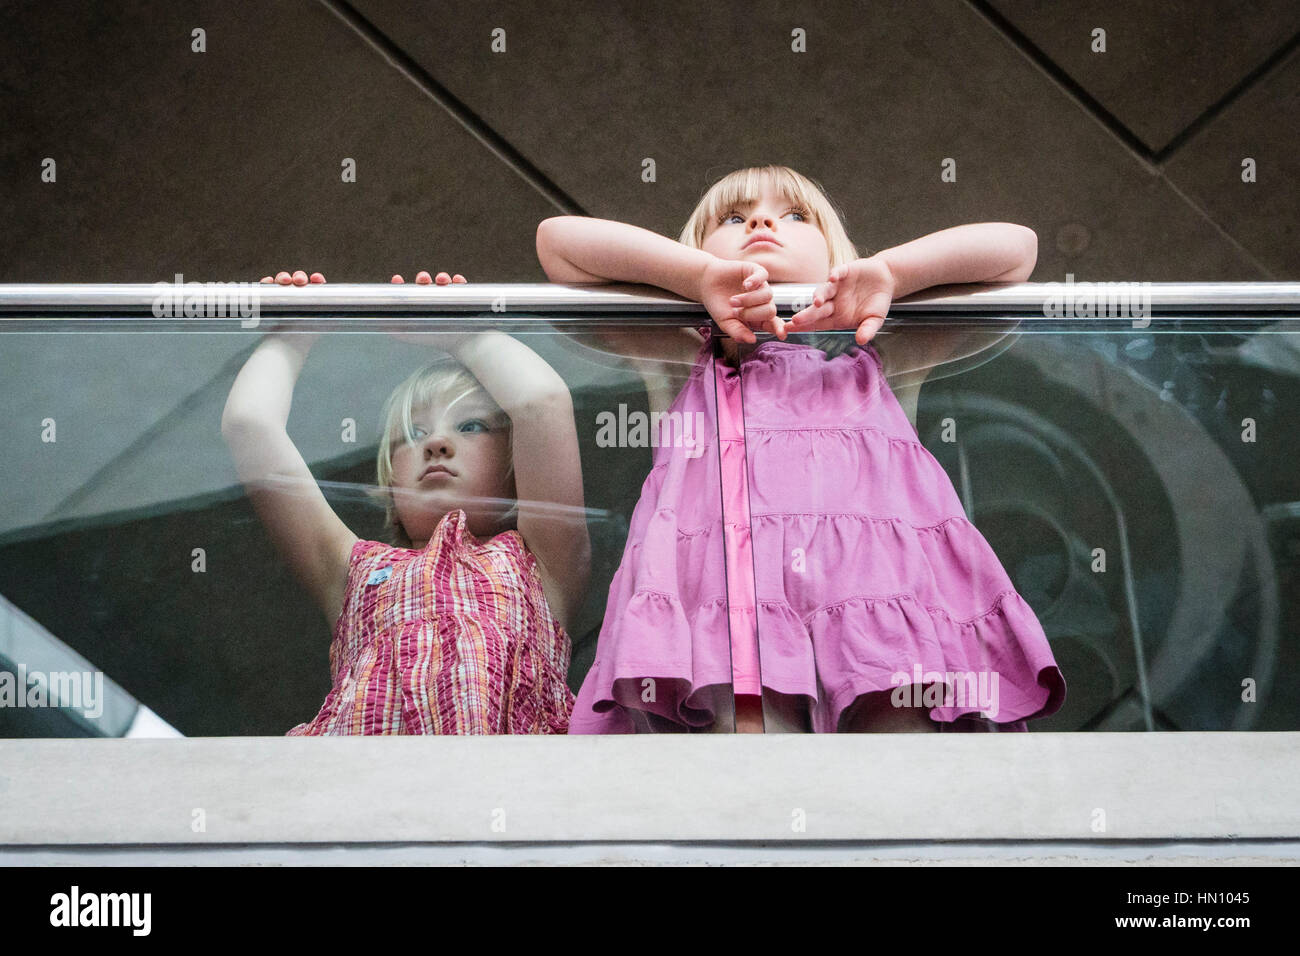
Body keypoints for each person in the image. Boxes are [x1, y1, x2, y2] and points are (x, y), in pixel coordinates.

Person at [536, 165, 1065, 733]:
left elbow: (1016, 250)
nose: (761, 221)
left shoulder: (875, 358)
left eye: (795, 216)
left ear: (834, 254)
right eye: (733, 218)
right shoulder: (685, 358)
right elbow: (559, 244)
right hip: (732, 619)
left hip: (884, 615)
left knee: (898, 776)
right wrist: (701, 278)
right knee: (754, 777)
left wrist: (889, 272)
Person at [221, 269, 587, 734]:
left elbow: (542, 400)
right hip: (372, 796)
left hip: (509, 795)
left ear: (518, 464)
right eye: (411, 434)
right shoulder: (352, 570)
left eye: (470, 426)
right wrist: (294, 332)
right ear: (389, 482)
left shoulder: (542, 560)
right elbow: (250, 426)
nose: (435, 442)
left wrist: (463, 334)